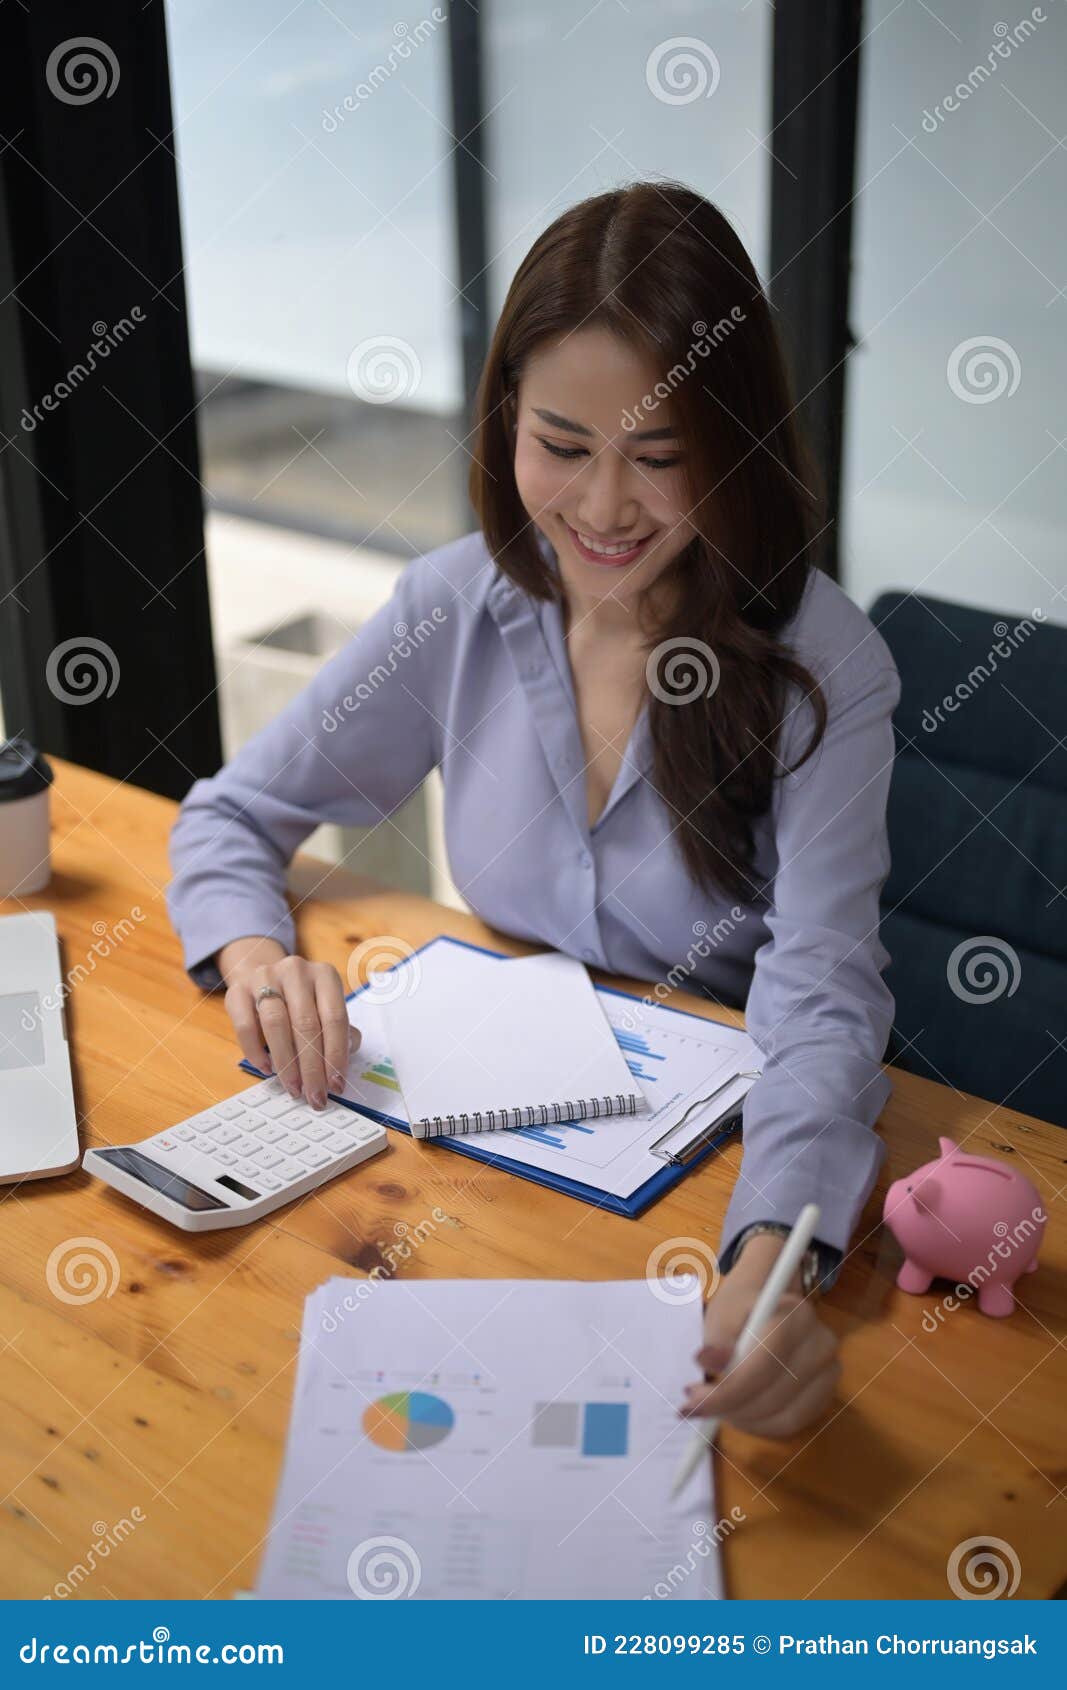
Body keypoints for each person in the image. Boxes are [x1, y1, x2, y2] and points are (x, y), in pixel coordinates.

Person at [166, 181, 900, 1443]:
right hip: (468, 1179)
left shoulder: (823, 661)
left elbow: (824, 993)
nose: (604, 511)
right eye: (561, 445)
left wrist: (775, 1254)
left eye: (660, 458)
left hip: (707, 1189)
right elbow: (235, 814)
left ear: (733, 445)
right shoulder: (455, 604)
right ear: (506, 420)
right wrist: (255, 954)